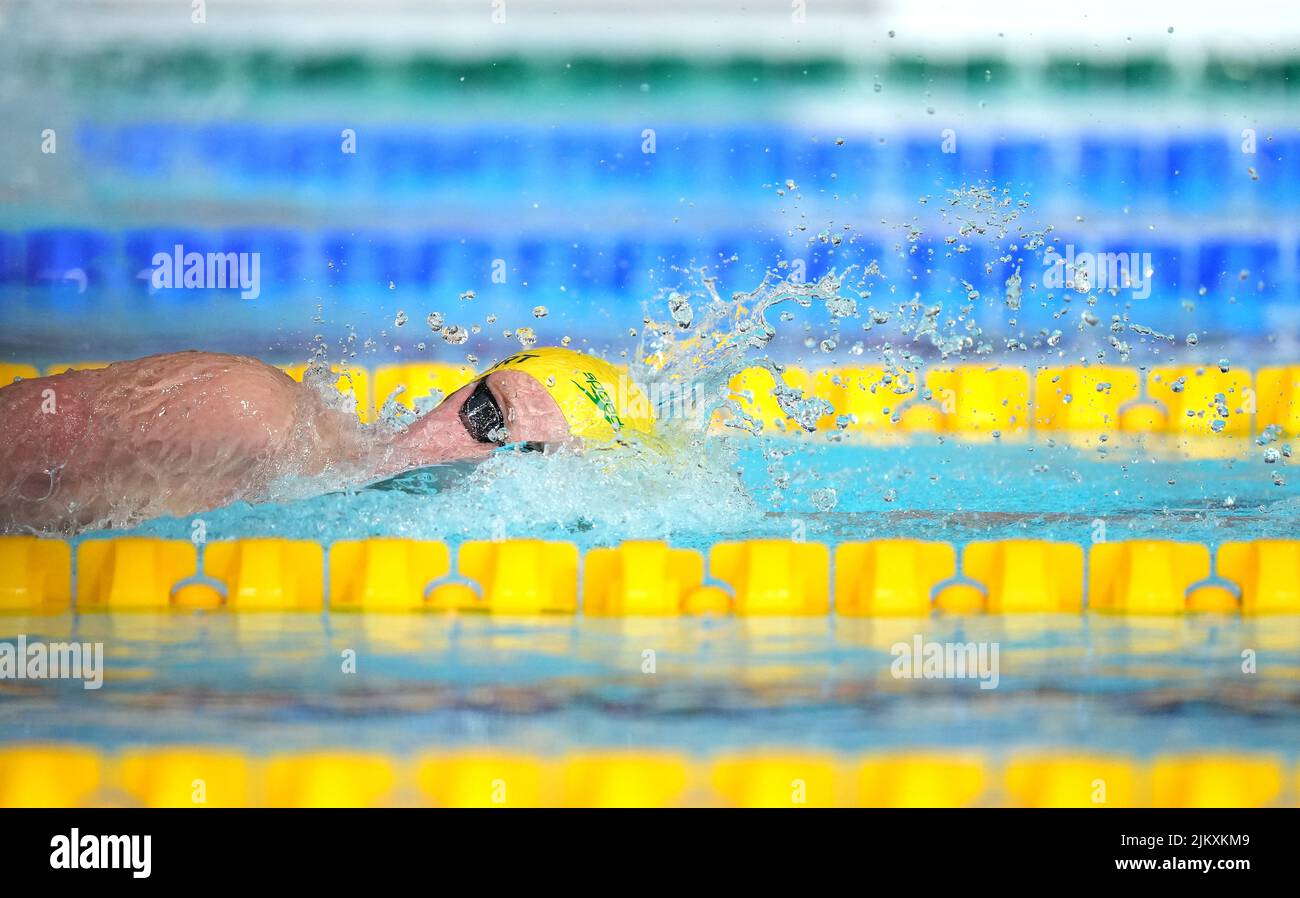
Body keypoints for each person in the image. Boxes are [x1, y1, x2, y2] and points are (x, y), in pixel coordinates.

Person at [0, 347, 654, 532]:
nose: (473, 459)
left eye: (528, 459)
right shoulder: (250, 414)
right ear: (460, 390)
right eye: (487, 416)